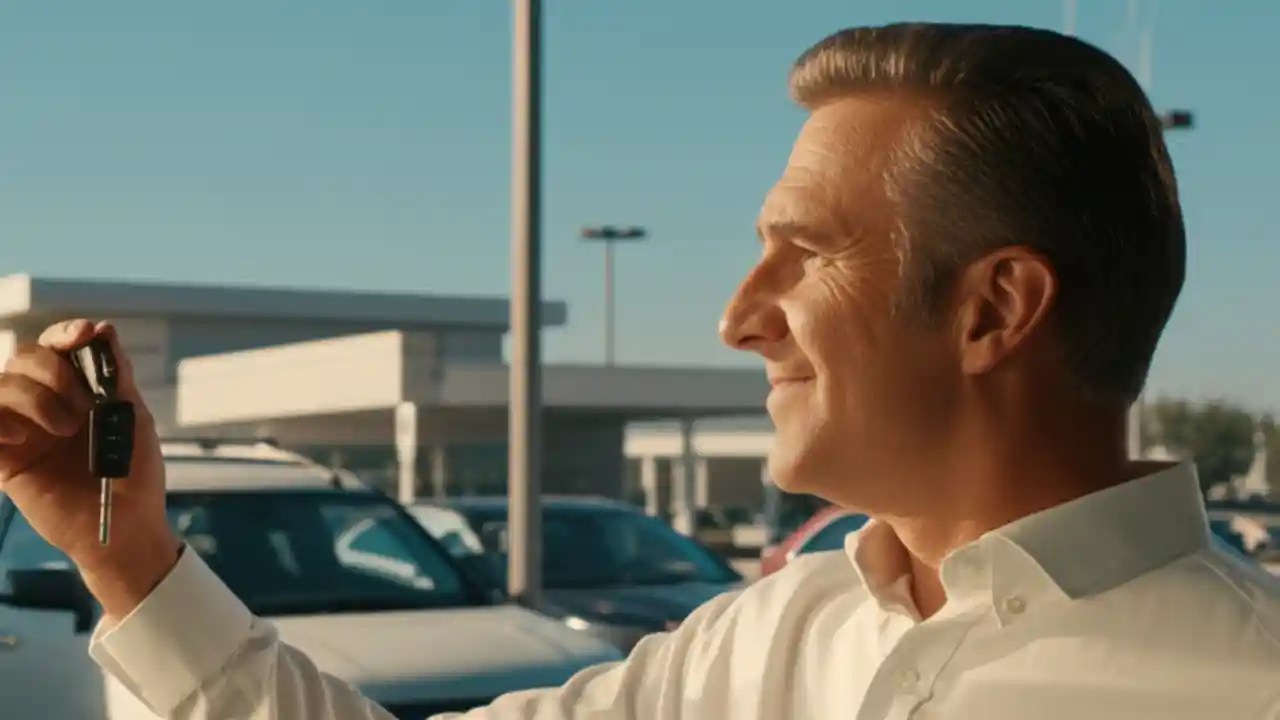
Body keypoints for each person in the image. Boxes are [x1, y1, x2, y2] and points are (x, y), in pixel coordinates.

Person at [2, 22, 1278, 720]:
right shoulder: (765, 640)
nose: (737, 319)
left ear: (993, 308)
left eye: (804, 255)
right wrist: (127, 553)